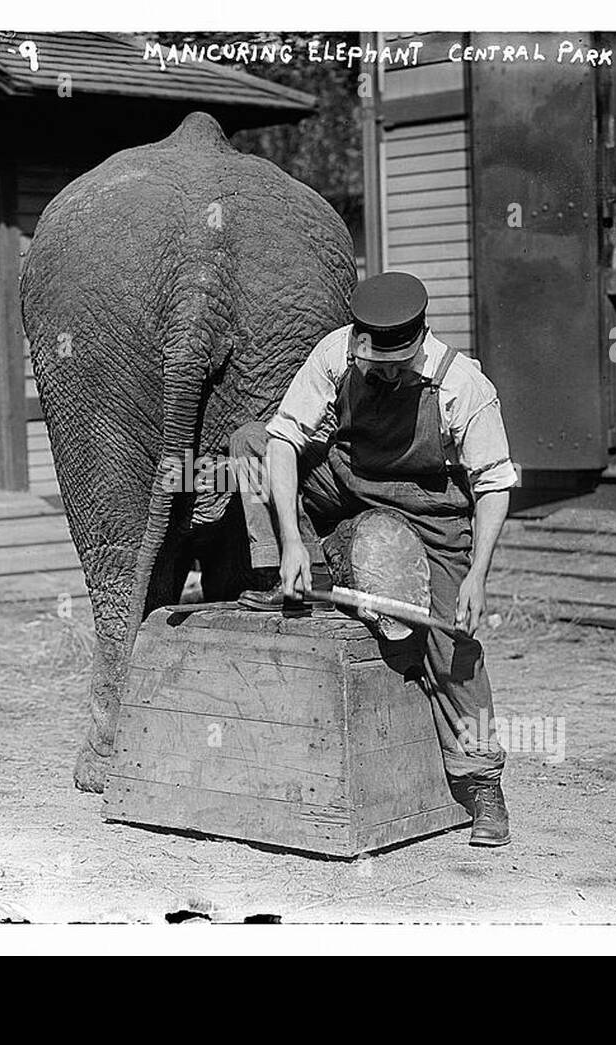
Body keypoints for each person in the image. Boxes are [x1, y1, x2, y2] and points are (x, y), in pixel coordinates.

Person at [230, 271, 517, 846]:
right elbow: (286, 438)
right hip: (350, 480)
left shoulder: (464, 386)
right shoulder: (335, 353)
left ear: (420, 339)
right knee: (252, 441)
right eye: (374, 359)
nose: (383, 371)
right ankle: (291, 574)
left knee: (449, 643)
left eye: (396, 363)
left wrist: (477, 577)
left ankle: (482, 783)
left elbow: (493, 484)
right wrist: (288, 539)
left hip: (429, 509)